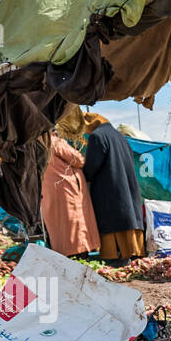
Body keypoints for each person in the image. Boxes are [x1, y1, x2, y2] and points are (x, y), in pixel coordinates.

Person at [82, 112, 145, 265]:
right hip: (127, 187)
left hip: (110, 189)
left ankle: (116, 257)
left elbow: (92, 165)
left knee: (113, 221)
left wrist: (84, 176)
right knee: (126, 218)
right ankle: (128, 255)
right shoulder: (120, 136)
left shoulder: (97, 137)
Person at [40, 127, 100, 258]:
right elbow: (77, 159)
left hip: (49, 191)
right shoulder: (55, 142)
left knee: (58, 225)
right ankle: (79, 254)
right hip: (67, 189)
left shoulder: (35, 145)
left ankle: (64, 255)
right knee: (74, 223)